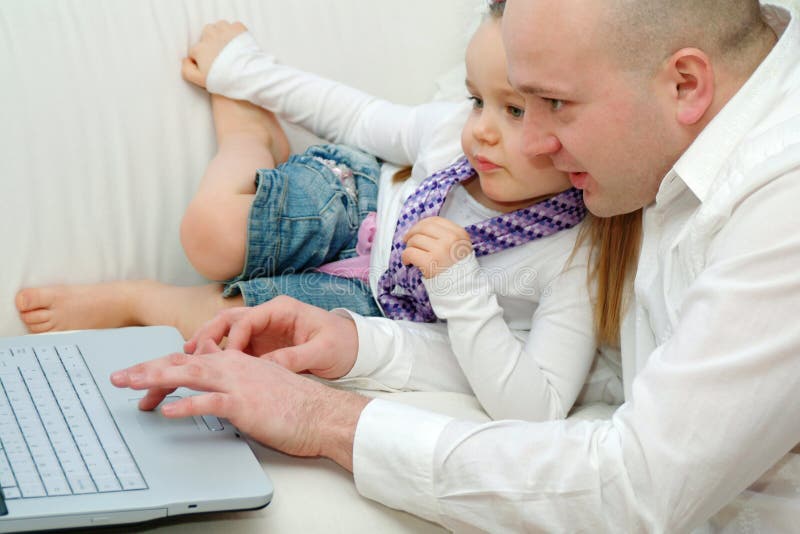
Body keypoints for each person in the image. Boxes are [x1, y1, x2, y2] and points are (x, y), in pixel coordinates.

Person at [111, 0, 800, 531]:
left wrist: (326, 420)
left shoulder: (780, 207)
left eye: (553, 104)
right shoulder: (647, 157)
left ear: (686, 84)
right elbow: (605, 375)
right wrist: (357, 346)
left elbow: (635, 488)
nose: (529, 143)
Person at [17, 2, 634, 422]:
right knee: (208, 235)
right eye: (478, 100)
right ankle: (250, 145)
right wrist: (248, 74)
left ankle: (136, 299)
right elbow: (360, 116)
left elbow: (540, 405)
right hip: (361, 202)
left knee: (234, 335)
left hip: (384, 310)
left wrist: (462, 290)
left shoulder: (574, 255)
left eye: (518, 111)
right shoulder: (450, 135)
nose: (483, 133)